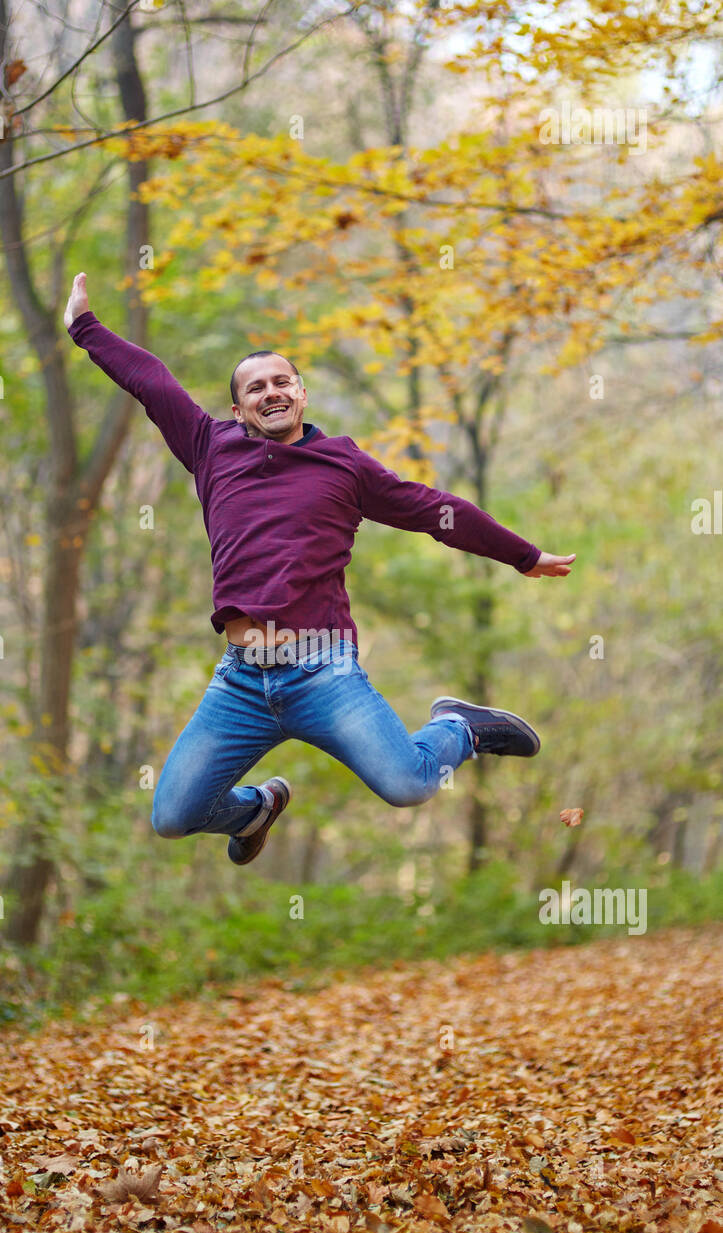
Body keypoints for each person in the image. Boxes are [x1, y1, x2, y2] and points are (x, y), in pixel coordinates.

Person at [64, 272, 575, 865]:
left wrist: (523, 555)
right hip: (241, 682)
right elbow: (152, 383)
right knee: (173, 816)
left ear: (302, 394)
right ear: (238, 408)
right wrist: (85, 328)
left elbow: (434, 510)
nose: (271, 392)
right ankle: (256, 810)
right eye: (255, 388)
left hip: (322, 673)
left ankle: (462, 727)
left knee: (408, 784)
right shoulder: (210, 447)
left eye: (282, 381)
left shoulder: (344, 465)